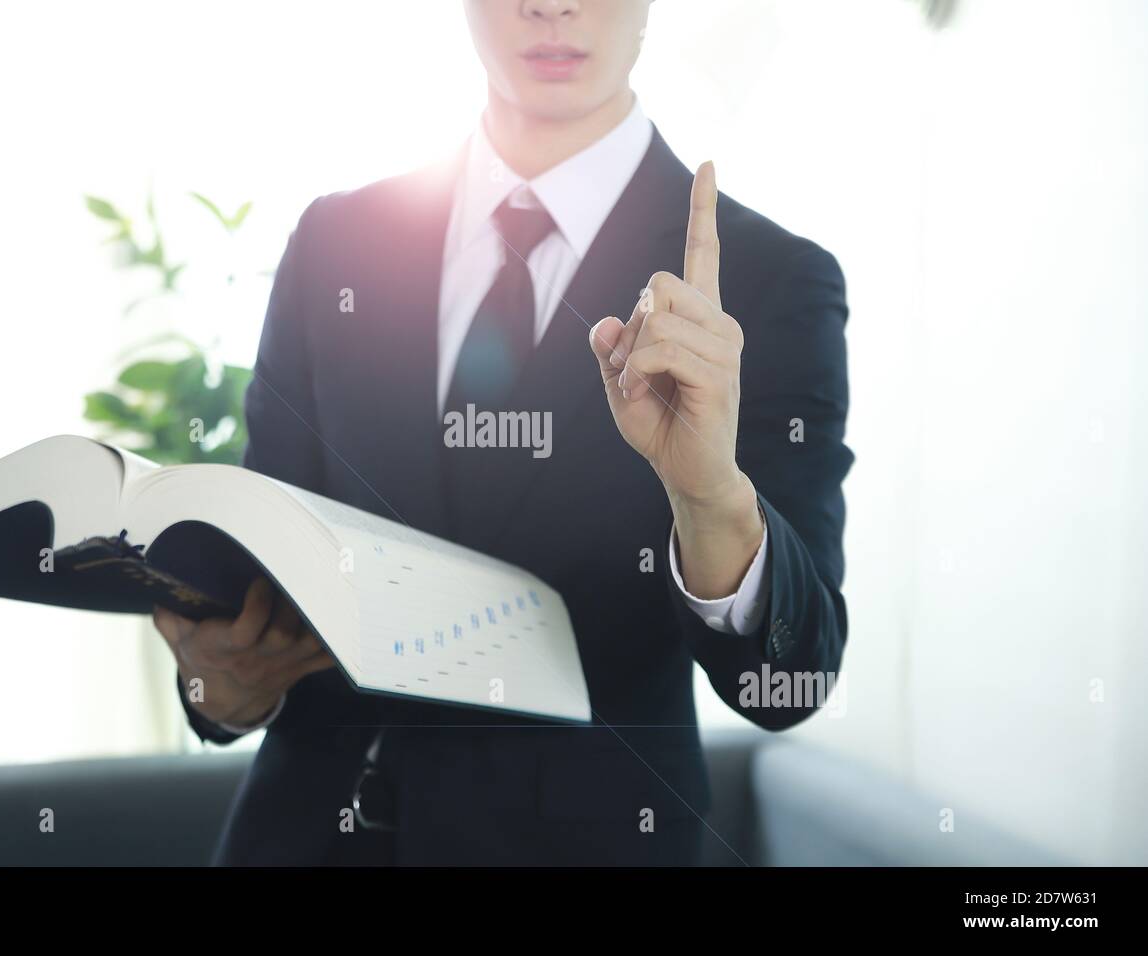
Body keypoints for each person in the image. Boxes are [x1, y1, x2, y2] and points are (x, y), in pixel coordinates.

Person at [153, 0, 852, 866]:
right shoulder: (336, 242)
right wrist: (220, 686)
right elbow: (267, 576)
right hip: (308, 836)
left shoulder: (771, 281)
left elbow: (791, 681)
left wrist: (710, 497)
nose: (550, 6)